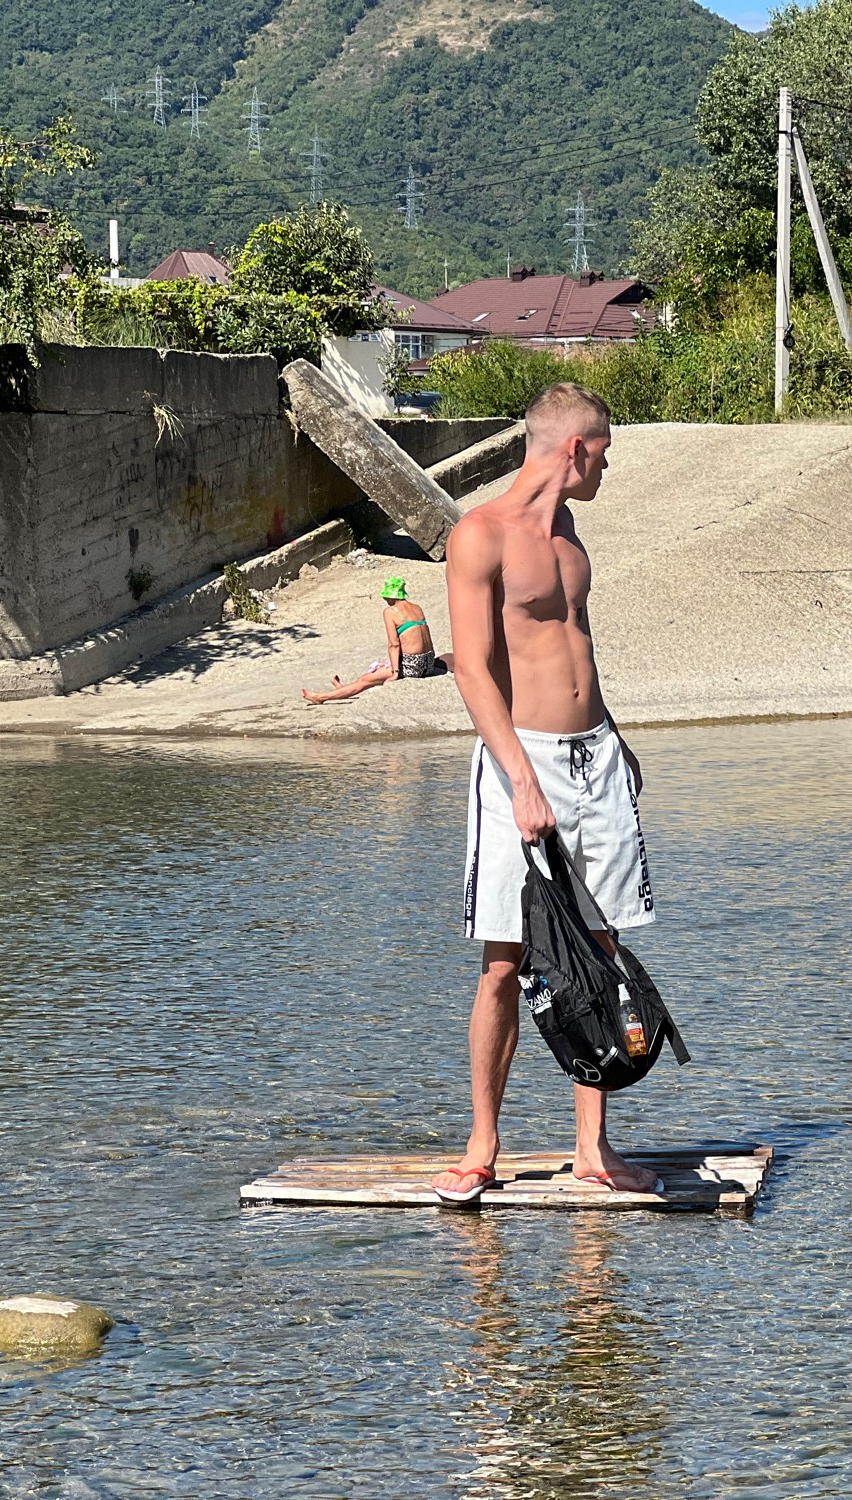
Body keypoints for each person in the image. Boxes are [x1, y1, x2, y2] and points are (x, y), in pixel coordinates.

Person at [431, 382, 660, 1204]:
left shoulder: (570, 538)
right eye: (603, 449)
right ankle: (482, 1144)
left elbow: (577, 650)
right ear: (573, 449)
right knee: (504, 962)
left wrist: (617, 735)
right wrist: (522, 781)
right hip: (518, 761)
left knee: (599, 954)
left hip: (594, 756)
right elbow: (472, 668)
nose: (607, 463)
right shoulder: (479, 535)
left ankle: (593, 1150)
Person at [301, 577, 451, 704]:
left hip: (413, 665)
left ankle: (321, 697)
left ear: (391, 595)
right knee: (370, 677)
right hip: (428, 662)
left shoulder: (391, 612)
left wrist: (395, 673)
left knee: (366, 680)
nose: (385, 599)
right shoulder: (417, 607)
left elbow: (394, 644)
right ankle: (342, 689)